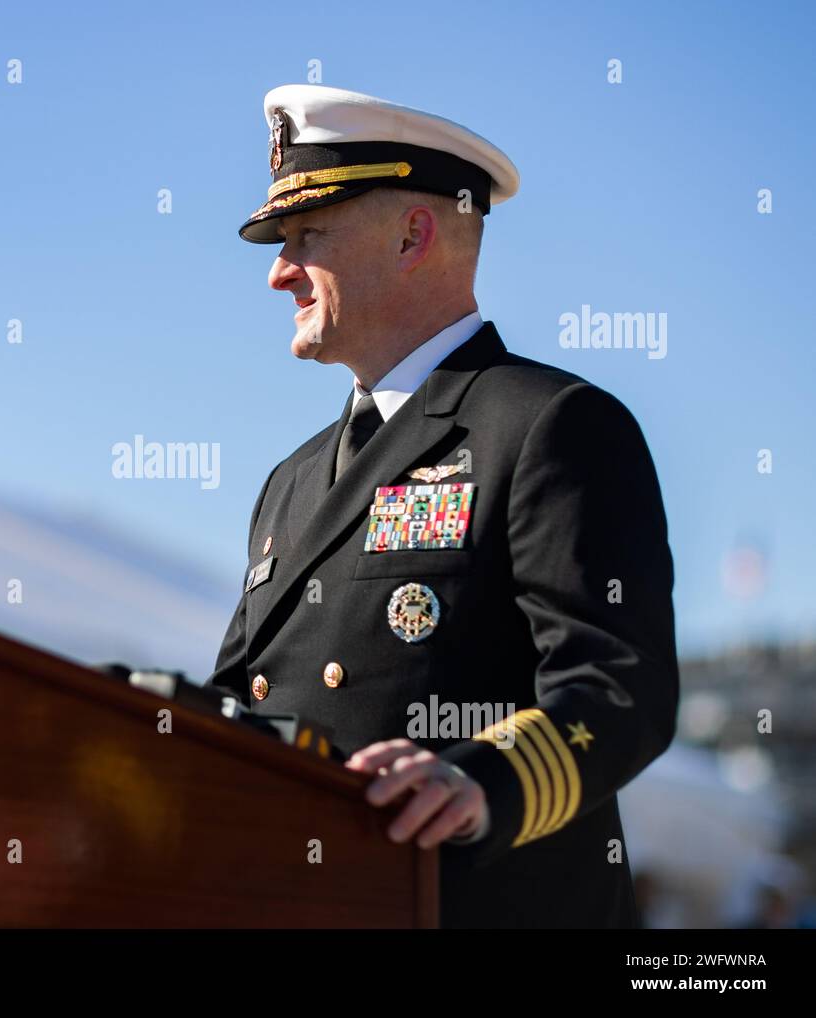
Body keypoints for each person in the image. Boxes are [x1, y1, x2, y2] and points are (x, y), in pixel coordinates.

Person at [207, 84, 679, 928]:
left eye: (306, 235)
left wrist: (479, 783)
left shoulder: (550, 425)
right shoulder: (290, 480)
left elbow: (620, 688)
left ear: (413, 234)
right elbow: (232, 706)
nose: (279, 271)